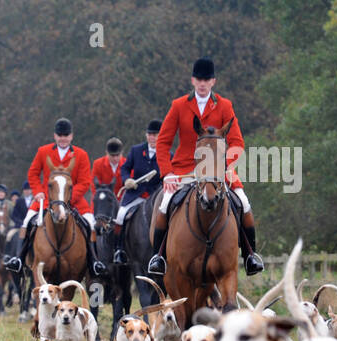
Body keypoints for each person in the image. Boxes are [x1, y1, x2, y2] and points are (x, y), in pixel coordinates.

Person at [147, 58, 263, 276]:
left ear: (213, 82)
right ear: (193, 80)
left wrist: (227, 165)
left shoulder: (225, 106)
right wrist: (168, 173)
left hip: (218, 169)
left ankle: (250, 255)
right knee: (164, 205)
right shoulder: (179, 105)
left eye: (207, 80)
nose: (202, 83)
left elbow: (237, 141)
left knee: (244, 203)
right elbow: (163, 142)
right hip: (185, 170)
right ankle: (158, 258)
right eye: (199, 79)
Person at [15, 117, 106, 277]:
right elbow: (33, 174)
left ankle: (94, 262)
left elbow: (85, 182)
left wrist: (67, 199)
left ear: (71, 136)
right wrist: (37, 192)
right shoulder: (43, 151)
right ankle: (19, 259)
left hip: (74, 201)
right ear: (55, 136)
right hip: (46, 200)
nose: (63, 138)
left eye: (66, 135)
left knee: (91, 225)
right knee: (26, 222)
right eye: (60, 135)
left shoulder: (81, 154)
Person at [111, 120, 164, 265]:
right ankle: (119, 250)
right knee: (121, 215)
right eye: (150, 134)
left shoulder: (166, 153)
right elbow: (125, 168)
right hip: (136, 194)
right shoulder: (136, 150)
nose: (153, 138)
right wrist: (127, 179)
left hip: (156, 196)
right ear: (146, 135)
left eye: (156, 135)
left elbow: (168, 175)